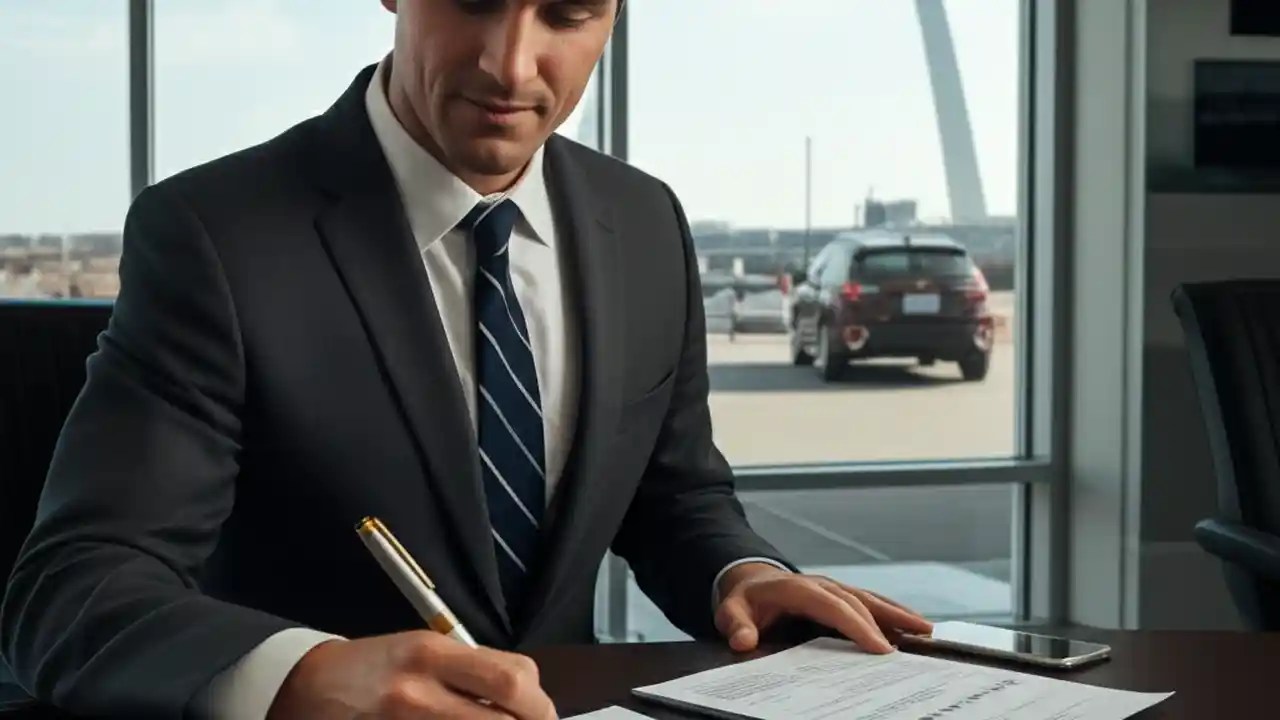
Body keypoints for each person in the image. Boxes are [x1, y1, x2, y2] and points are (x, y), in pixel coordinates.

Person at [0, 1, 933, 718]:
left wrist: (744, 576)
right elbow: (73, 591)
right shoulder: (213, 234)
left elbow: (674, 496)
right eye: (477, 1)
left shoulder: (645, 220)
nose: (510, 63)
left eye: (568, 14)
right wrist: (305, 678)